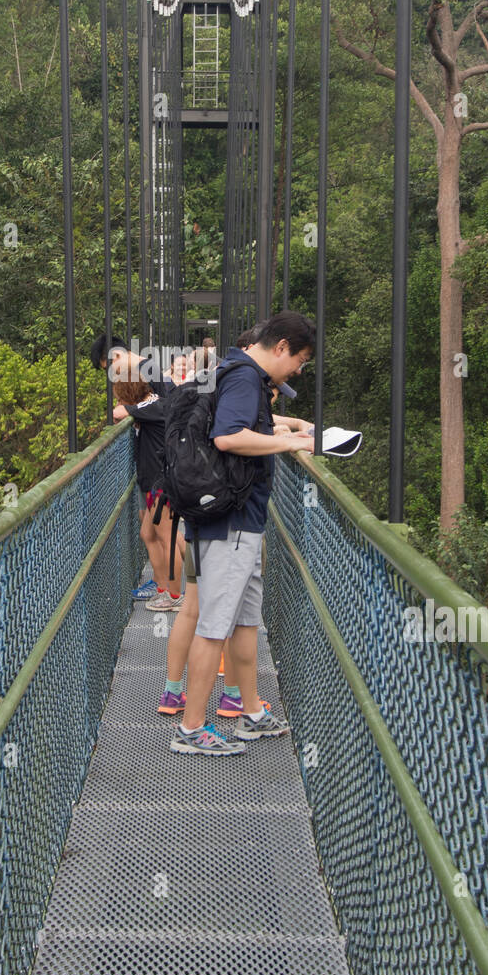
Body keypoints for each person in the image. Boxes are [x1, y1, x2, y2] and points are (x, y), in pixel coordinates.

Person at [170, 312, 317, 755]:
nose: (298, 371)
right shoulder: (245, 379)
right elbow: (229, 437)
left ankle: (250, 711)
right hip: (229, 523)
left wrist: (286, 428)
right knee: (214, 626)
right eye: (301, 360)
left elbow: (244, 428)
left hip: (240, 519)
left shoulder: (233, 369)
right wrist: (292, 442)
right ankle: (191, 730)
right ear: (282, 347)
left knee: (245, 620)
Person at [112, 374, 185, 611]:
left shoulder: (152, 405)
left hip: (161, 482)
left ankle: (175, 596)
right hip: (156, 481)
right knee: (148, 533)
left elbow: (118, 413)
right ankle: (163, 587)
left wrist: (127, 407)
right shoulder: (152, 406)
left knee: (168, 537)